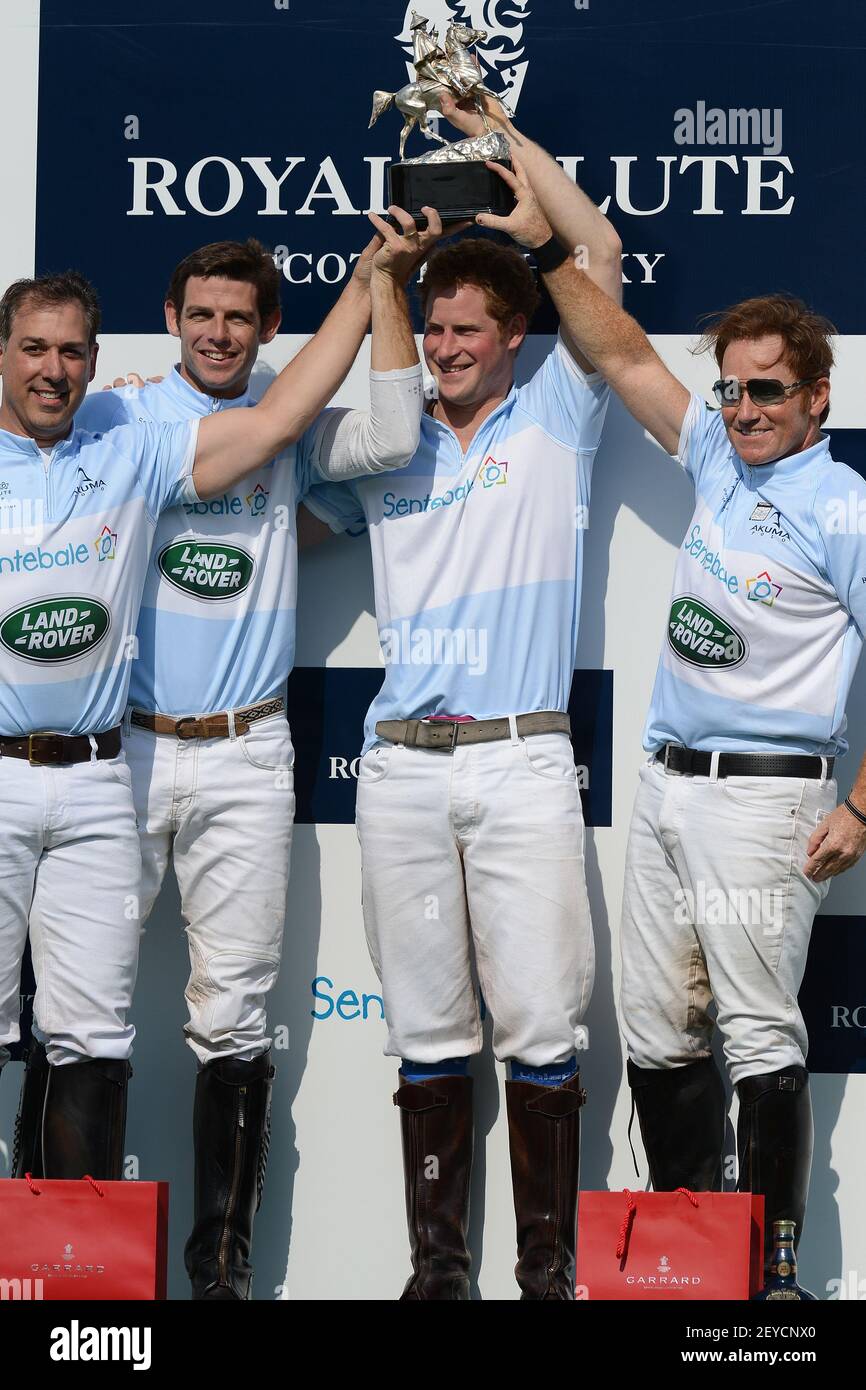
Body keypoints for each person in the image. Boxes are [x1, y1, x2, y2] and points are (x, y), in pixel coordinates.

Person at [0, 211, 432, 1236]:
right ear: (169, 320)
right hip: (111, 753)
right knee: (60, 1020)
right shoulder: (125, 416)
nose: (219, 333)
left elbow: (334, 430)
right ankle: (38, 1254)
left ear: (268, 326)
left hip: (211, 751)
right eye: (201, 314)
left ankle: (177, 1268)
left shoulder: (176, 438)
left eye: (240, 318)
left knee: (137, 1025)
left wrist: (378, 277)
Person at [311, 97, 622, 1297]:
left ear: (512, 335)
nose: (444, 347)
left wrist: (500, 140)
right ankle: (436, 1273)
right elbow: (278, 508)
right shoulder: (381, 441)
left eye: (465, 330)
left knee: (541, 1027)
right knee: (426, 1034)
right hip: (399, 769)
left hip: (520, 761)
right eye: (432, 327)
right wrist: (381, 281)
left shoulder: (557, 409)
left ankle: (543, 1273)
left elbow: (595, 252)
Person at [520, 252, 866, 1272]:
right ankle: (689, 1270)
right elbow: (624, 353)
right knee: (657, 1032)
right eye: (731, 389)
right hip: (666, 784)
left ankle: (768, 1286)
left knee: (758, 1038)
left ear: (816, 396)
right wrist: (548, 256)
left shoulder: (842, 503)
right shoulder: (718, 453)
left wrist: (861, 806)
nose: (744, 409)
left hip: (763, 800)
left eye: (768, 390)